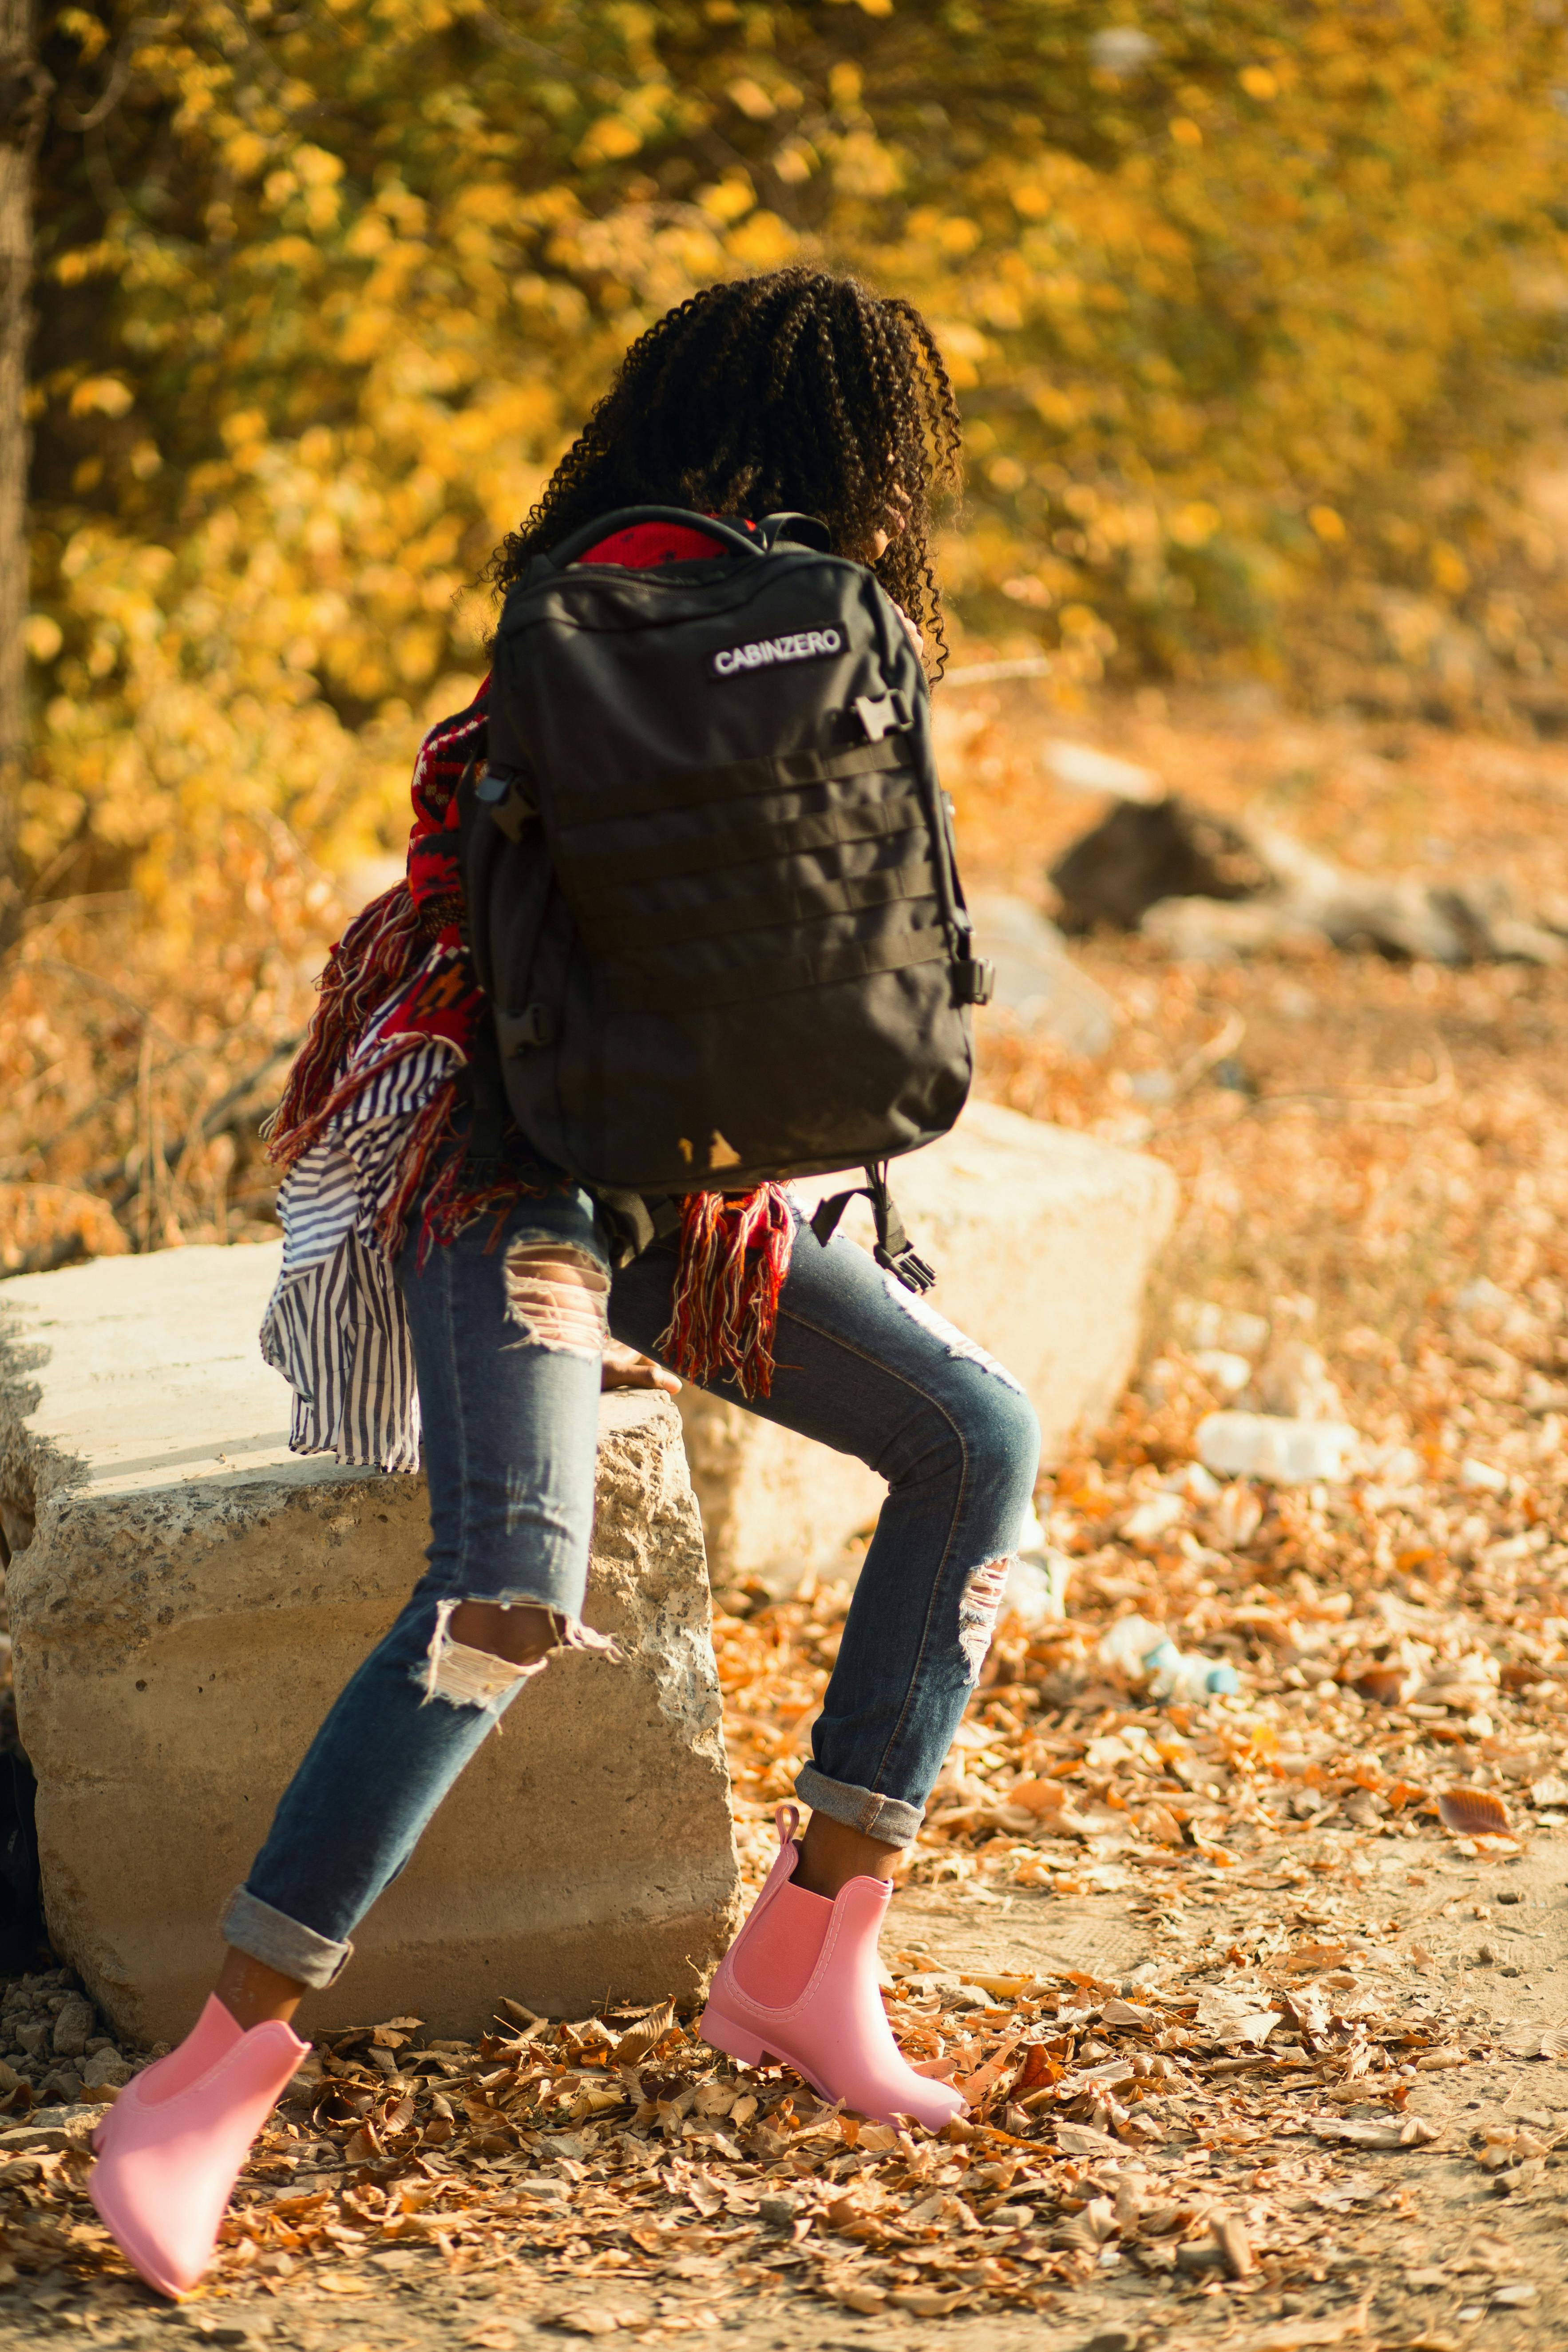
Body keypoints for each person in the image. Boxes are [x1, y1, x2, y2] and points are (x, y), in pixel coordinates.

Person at [87, 268, 1041, 2300]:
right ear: (850, 440)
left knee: (972, 1432)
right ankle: (207, 2076)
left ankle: (804, 1959)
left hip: (681, 1182)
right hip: (512, 1162)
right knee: (506, 1584)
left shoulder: (776, 622)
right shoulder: (629, 613)